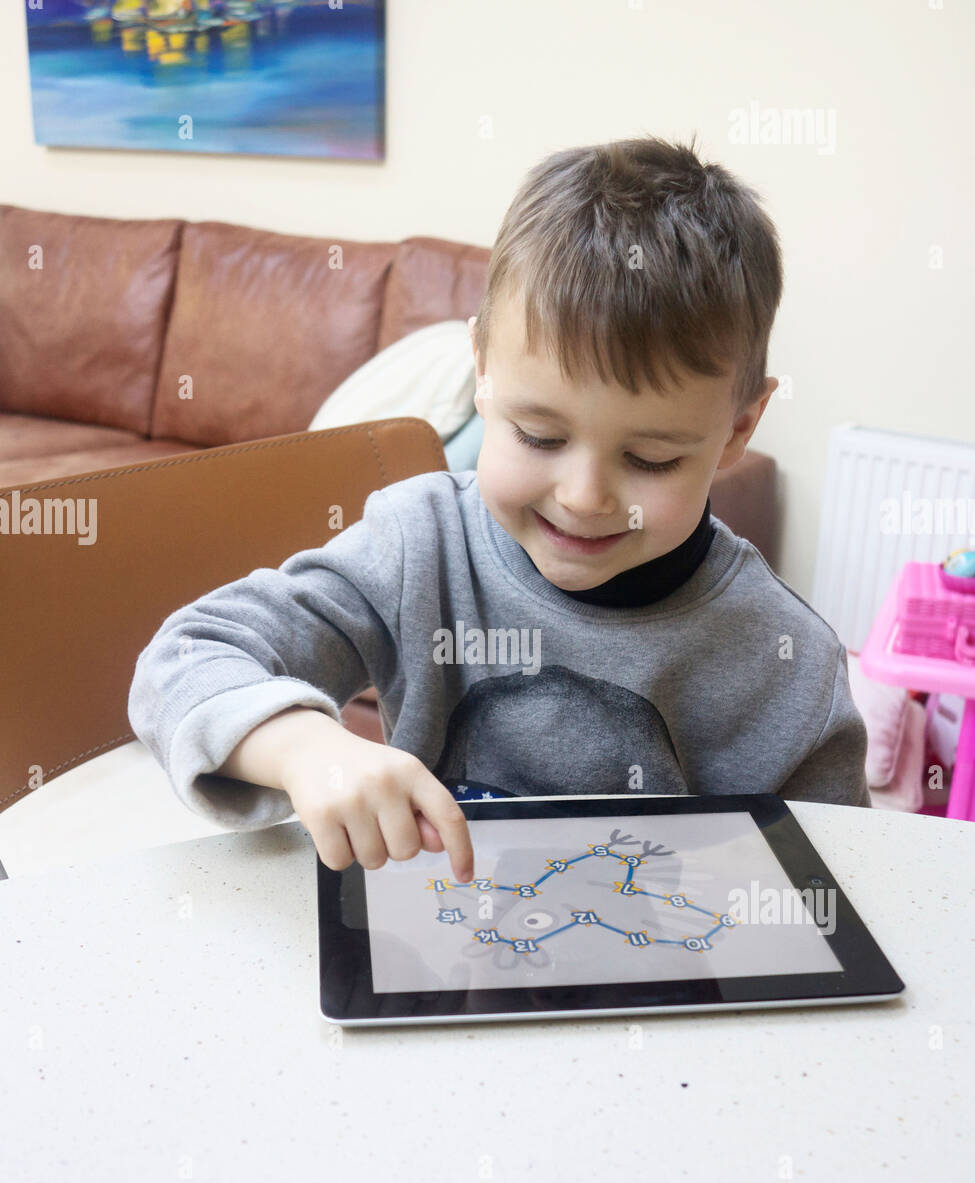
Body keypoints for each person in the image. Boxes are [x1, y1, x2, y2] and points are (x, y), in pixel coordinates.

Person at [128, 135, 870, 886]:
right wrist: (305, 748)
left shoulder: (789, 661)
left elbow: (835, 894)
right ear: (481, 370)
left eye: (650, 459)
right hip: (431, 953)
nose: (584, 497)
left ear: (739, 426)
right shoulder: (419, 547)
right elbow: (184, 659)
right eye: (538, 435)